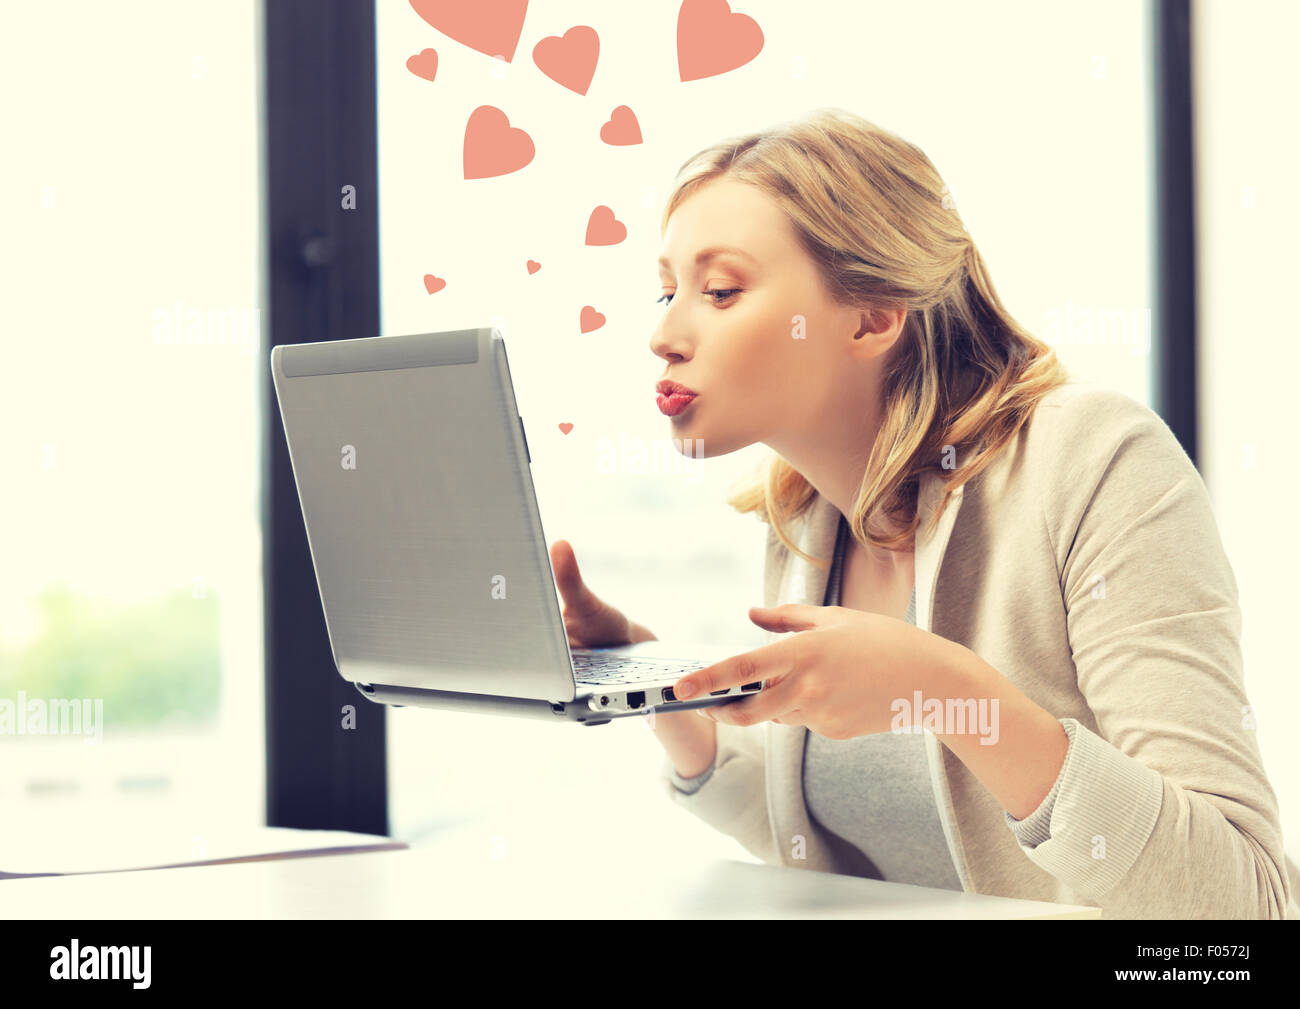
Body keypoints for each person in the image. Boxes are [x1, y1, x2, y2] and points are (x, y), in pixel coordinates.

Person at [550, 107, 1297, 919]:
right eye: (668, 290)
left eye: (720, 290)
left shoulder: (1094, 457)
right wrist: (666, 694)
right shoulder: (804, 515)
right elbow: (866, 855)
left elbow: (1241, 906)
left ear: (872, 316)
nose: (664, 332)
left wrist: (945, 692)